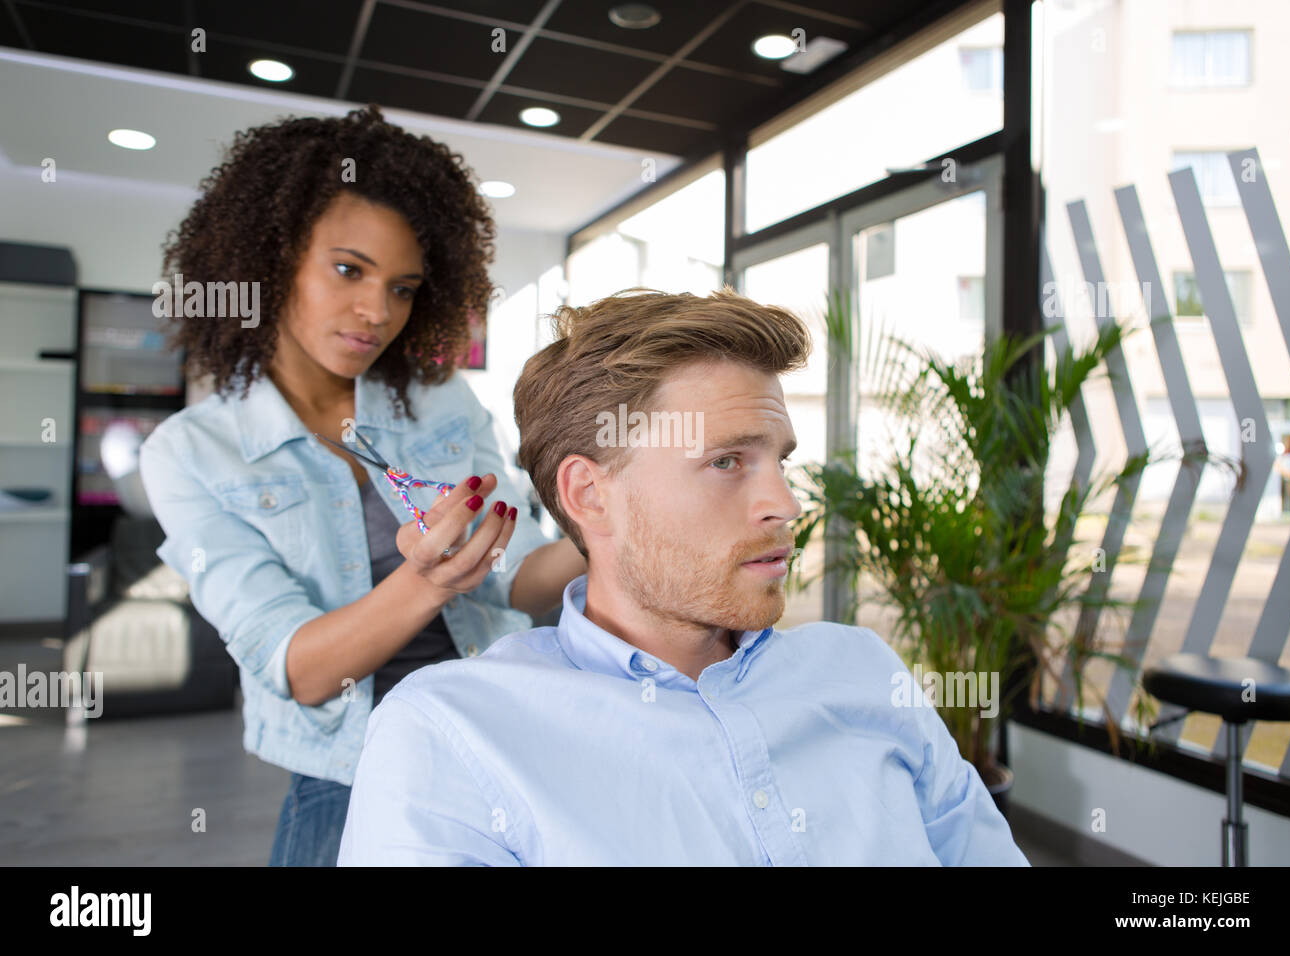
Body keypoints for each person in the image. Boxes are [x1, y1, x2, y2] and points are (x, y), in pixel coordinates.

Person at [337, 288, 1030, 866]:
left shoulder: (860, 671)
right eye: (728, 461)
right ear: (589, 495)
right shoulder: (452, 733)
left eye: (779, 461)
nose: (785, 504)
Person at [138, 104, 586, 867]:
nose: (377, 312)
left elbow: (518, 578)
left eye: (404, 287)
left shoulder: (442, 401)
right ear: (271, 261)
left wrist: (605, 524)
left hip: (502, 740)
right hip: (350, 780)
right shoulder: (192, 454)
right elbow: (300, 669)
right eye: (349, 270)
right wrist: (428, 581)